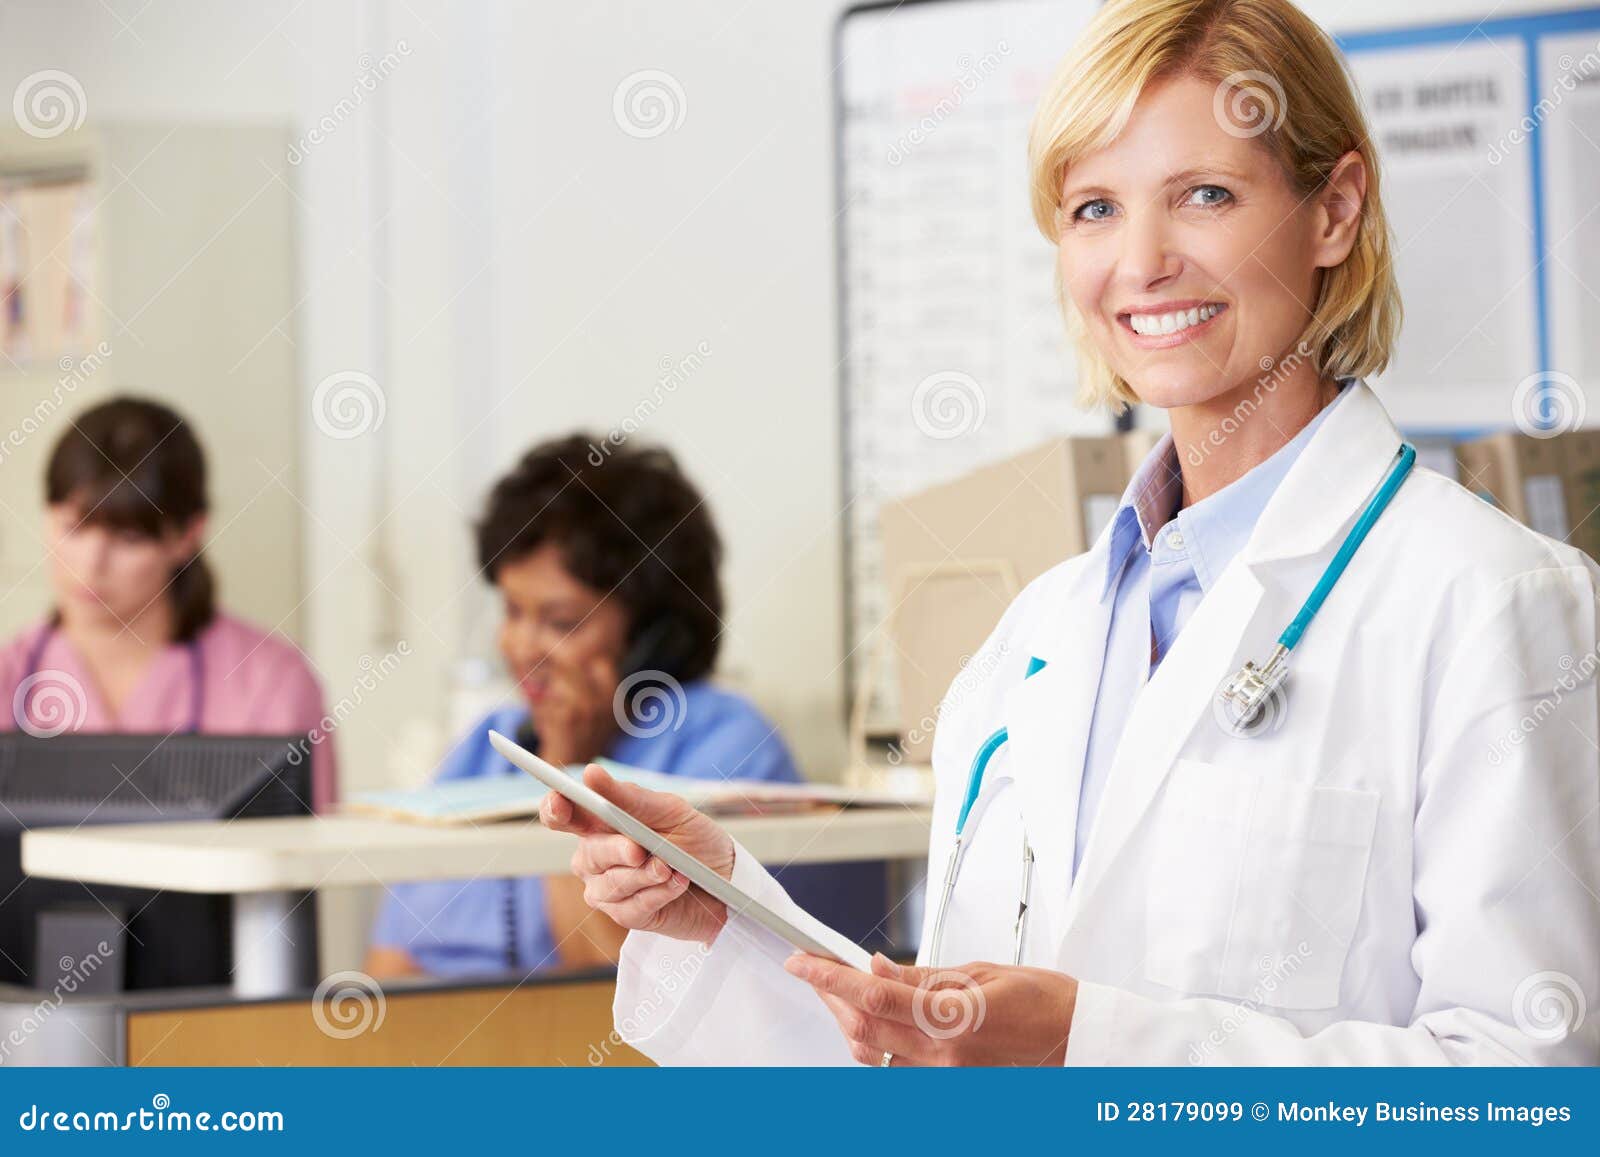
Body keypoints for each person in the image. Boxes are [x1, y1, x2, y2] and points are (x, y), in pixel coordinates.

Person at [545, 0, 1600, 1065]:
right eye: (1094, 207)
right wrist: (722, 913)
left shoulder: (1491, 602)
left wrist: (1091, 1045)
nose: (1141, 262)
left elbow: (1530, 1082)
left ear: (1333, 210)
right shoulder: (1032, 638)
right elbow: (927, 1057)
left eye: (1204, 195)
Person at [364, 434, 805, 979]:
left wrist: (565, 767)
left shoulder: (731, 745)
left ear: (652, 634)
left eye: (559, 621)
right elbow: (390, 964)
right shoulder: (489, 742)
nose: (521, 647)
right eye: (511, 610)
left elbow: (621, 992)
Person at [0, 396, 338, 812]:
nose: (91, 564)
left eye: (128, 539)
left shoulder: (271, 683)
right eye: (74, 528)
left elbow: (301, 861)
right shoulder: (8, 677)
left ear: (186, 536)